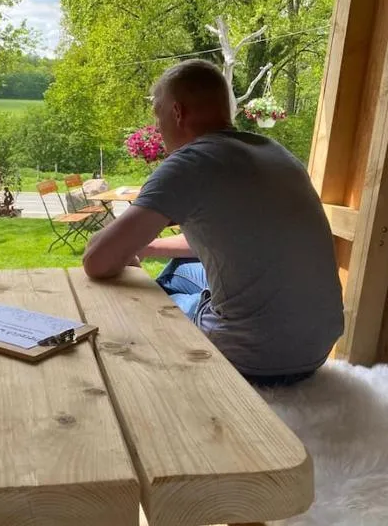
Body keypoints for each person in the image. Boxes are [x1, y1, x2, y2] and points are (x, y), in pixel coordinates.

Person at [83, 59, 344, 386]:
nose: (158, 127)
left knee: (144, 298)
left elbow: (96, 261)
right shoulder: (277, 154)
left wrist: (121, 250)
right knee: (179, 269)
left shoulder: (190, 161)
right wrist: (146, 247)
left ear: (177, 112)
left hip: (251, 357)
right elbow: (227, 241)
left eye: (158, 115)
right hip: (314, 349)